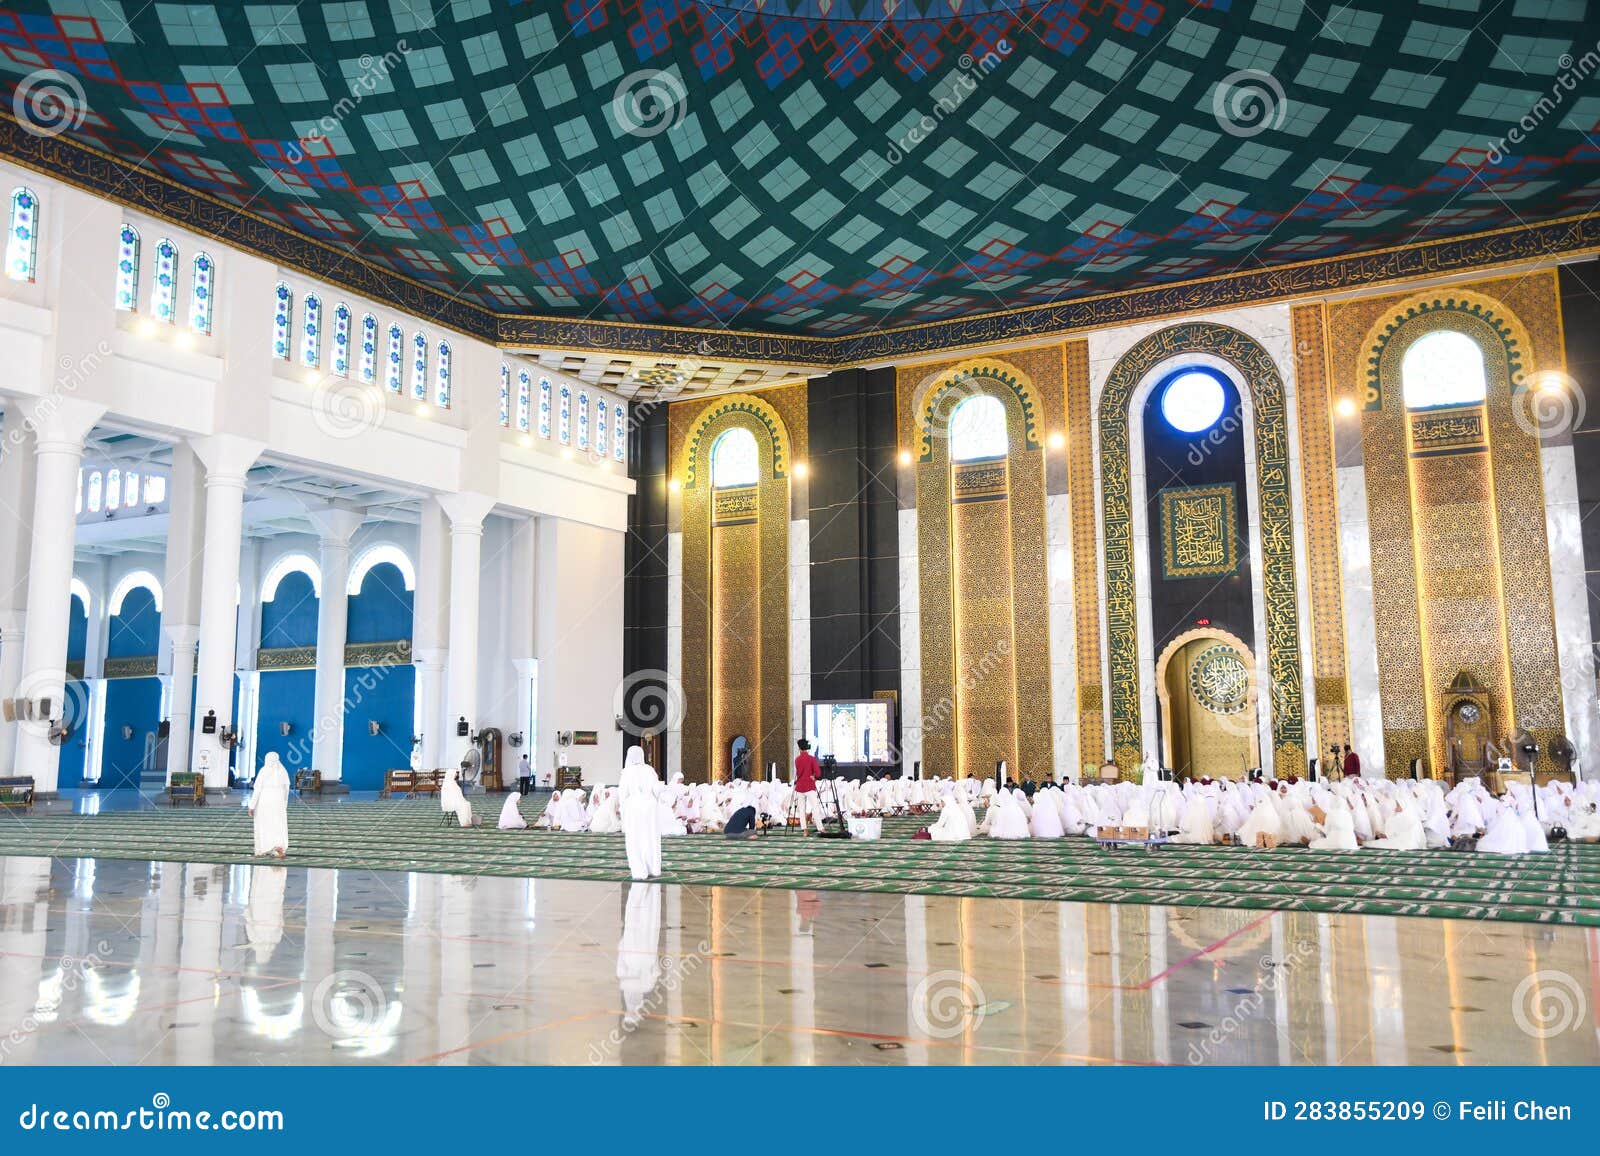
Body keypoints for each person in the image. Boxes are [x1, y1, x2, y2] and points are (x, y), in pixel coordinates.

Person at [618, 745, 663, 880]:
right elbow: (657, 790)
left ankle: (639, 871)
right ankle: (653, 869)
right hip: (650, 807)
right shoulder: (650, 770)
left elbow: (623, 794)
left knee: (635, 839)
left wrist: (623, 811)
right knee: (650, 837)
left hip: (634, 807)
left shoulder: (627, 772)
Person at [249, 751, 291, 858]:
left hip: (264, 801)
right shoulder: (283, 772)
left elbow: (257, 789)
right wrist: (284, 804)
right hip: (278, 801)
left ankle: (262, 849)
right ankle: (279, 846)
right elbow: (286, 790)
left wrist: (252, 806)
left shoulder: (263, 771)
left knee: (264, 824)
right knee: (278, 824)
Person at [793, 738, 824, 834]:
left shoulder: (797, 759)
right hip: (809, 786)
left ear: (799, 749)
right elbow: (818, 773)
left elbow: (799, 773)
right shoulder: (811, 759)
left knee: (801, 809)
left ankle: (805, 830)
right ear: (807, 748)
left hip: (800, 786)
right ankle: (820, 828)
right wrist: (814, 776)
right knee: (815, 807)